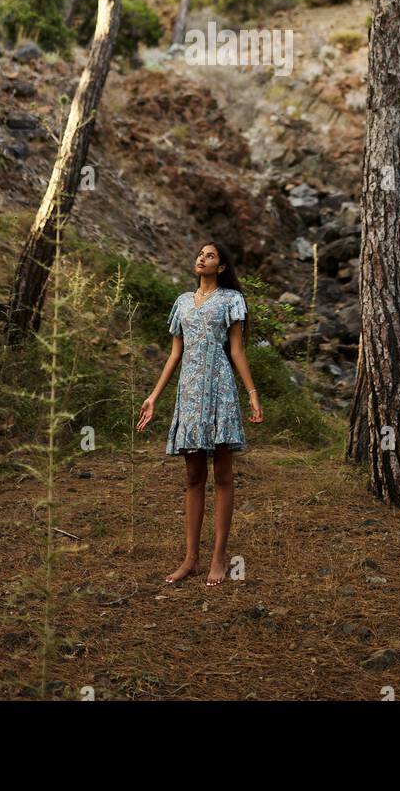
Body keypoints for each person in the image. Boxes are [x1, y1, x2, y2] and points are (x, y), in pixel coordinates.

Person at [136, 241, 263, 586]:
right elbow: (174, 354)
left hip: (220, 389)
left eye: (210, 256)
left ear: (221, 268)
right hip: (189, 392)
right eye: (200, 254)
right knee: (193, 477)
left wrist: (252, 394)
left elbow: (236, 350)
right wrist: (154, 396)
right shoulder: (182, 302)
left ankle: (218, 557)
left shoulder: (231, 300)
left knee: (222, 476)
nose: (202, 258)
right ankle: (190, 559)